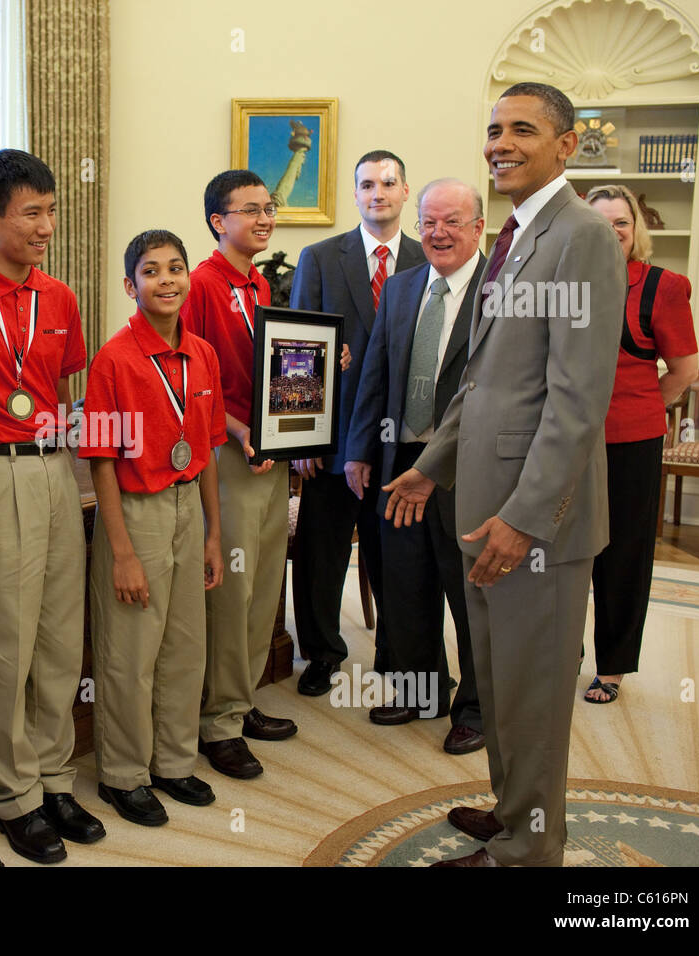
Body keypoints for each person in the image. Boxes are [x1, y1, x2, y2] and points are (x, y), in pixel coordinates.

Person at [385, 82, 626, 867]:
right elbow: (484, 383)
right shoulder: (520, 235)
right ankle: (512, 809)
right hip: (483, 509)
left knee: (533, 695)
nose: (501, 143)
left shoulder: (582, 235)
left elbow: (576, 399)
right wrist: (429, 468)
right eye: (493, 129)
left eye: (523, 129)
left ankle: (528, 851)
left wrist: (524, 518)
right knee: (499, 682)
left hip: (537, 523)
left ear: (567, 145)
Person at [0, 149, 105, 864]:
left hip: (52, 470)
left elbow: (62, 398)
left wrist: (78, 477)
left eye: (51, 211)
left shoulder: (60, 297)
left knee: (60, 637)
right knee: (6, 641)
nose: (46, 226)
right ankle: (14, 795)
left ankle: (54, 775)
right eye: (32, 213)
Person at [81, 229, 226, 826]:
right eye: (150, 271)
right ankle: (123, 773)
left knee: (184, 647)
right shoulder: (115, 359)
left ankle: (173, 761)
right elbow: (102, 462)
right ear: (129, 285)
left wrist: (215, 532)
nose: (165, 280)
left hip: (187, 504)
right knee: (131, 653)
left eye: (175, 268)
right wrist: (120, 553)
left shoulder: (203, 353)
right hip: (135, 514)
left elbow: (209, 448)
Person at [345, 178, 486, 755]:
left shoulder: (499, 290)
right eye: (429, 221)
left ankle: (476, 707)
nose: (438, 232)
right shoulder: (402, 289)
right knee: (406, 581)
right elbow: (375, 371)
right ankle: (420, 688)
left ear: (479, 228)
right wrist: (358, 447)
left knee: (468, 589)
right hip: (399, 459)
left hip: (466, 467)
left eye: (452, 220)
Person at [290, 150, 426, 695]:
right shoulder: (320, 257)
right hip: (331, 435)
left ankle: (398, 652)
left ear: (404, 191)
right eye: (367, 184)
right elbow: (298, 353)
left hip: (398, 443)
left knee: (393, 551)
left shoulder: (426, 257)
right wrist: (301, 434)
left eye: (388, 183)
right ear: (355, 194)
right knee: (322, 552)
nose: (378, 193)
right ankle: (322, 653)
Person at [181, 170, 296, 781]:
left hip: (270, 453)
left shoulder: (260, 283)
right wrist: (238, 432)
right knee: (231, 592)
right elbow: (193, 382)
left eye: (268, 207)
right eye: (249, 210)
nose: (264, 218)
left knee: (263, 585)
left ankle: (242, 699)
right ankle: (218, 722)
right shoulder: (200, 284)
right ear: (217, 221)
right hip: (229, 452)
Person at [584, 183, 699, 703]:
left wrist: (644, 408)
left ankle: (611, 666)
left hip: (630, 442)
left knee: (622, 557)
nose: (611, 233)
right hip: (563, 442)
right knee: (558, 556)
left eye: (621, 223)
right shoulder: (561, 282)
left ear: (637, 231)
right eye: (598, 224)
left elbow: (683, 371)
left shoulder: (664, 286)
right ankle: (562, 654)